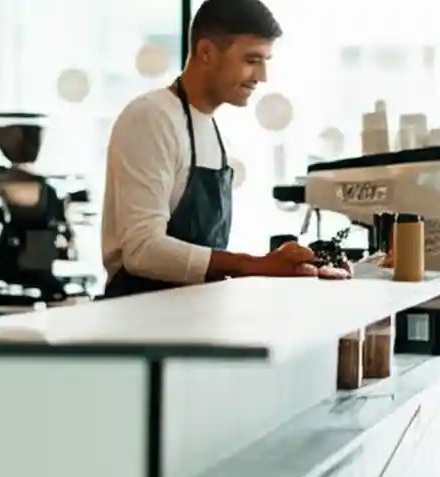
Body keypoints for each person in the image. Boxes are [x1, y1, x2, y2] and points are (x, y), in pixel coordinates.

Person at [101, 0, 342, 299]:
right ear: (206, 53)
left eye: (266, 60)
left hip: (189, 321)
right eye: (252, 60)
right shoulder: (151, 117)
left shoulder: (211, 130)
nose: (262, 76)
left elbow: (202, 257)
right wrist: (252, 264)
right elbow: (142, 250)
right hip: (138, 327)